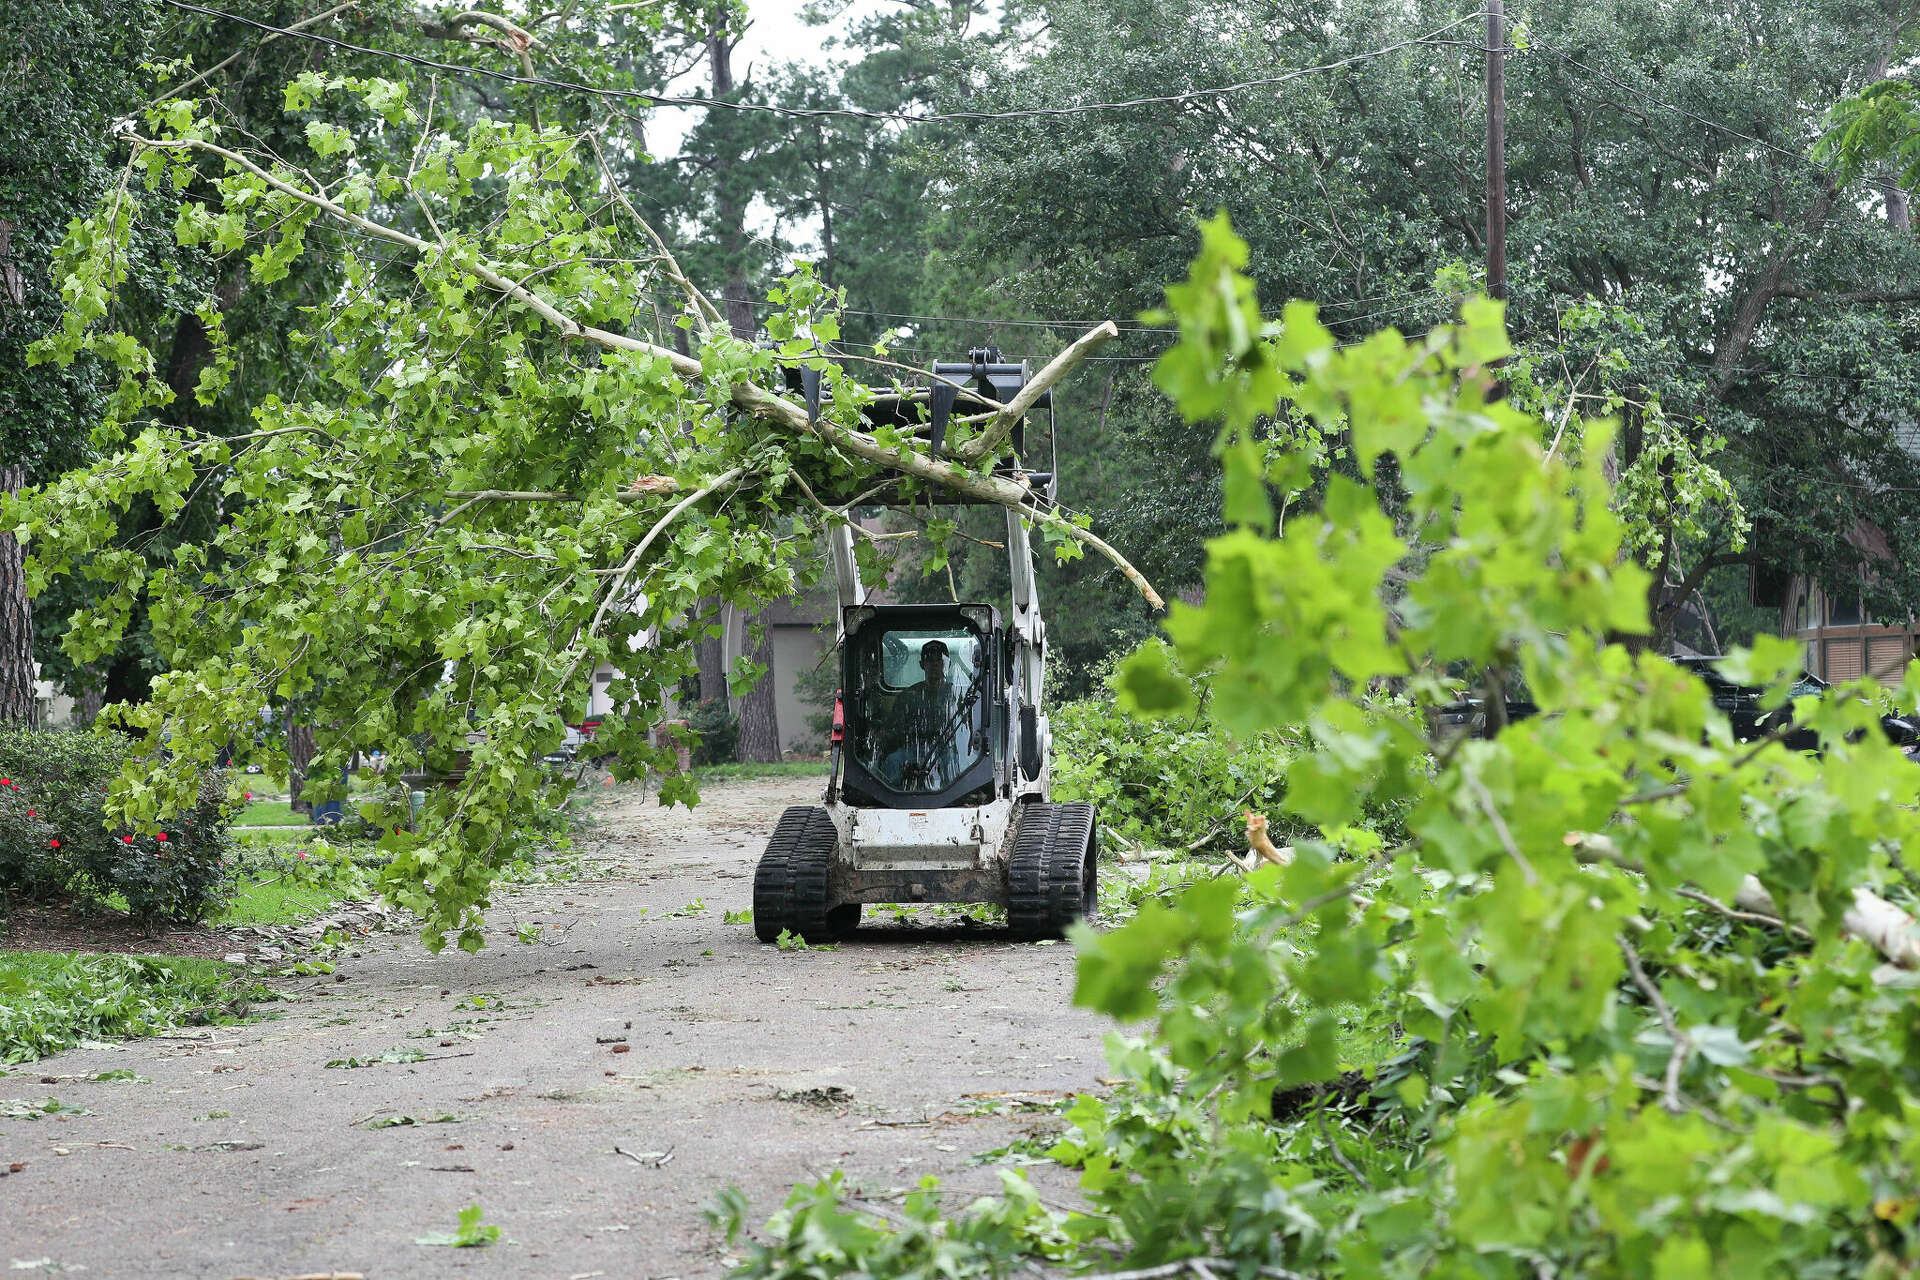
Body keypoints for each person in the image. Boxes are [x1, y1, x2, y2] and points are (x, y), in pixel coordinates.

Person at [880, 639, 968, 790]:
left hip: (946, 750)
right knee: (892, 760)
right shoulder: (909, 696)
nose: (934, 664)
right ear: (922, 664)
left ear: (947, 664)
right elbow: (894, 729)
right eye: (929, 659)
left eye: (939, 659)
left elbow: (965, 731)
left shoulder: (957, 696)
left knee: (957, 761)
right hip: (912, 749)